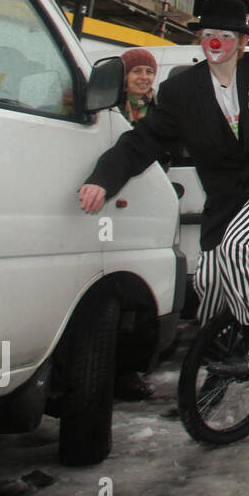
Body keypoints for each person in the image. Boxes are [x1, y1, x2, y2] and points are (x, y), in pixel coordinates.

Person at [79, 0, 249, 374]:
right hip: (225, 199)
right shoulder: (181, 93)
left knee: (239, 245)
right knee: (209, 277)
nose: (216, 42)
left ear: (241, 42)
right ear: (200, 39)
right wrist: (102, 180)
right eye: (208, 34)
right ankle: (217, 351)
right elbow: (141, 142)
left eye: (225, 35)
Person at [113, 47, 160, 400]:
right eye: (137, 72)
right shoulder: (109, 109)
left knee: (141, 295)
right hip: (111, 200)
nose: (144, 78)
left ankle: (128, 371)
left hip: (146, 204)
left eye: (149, 72)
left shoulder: (157, 112)